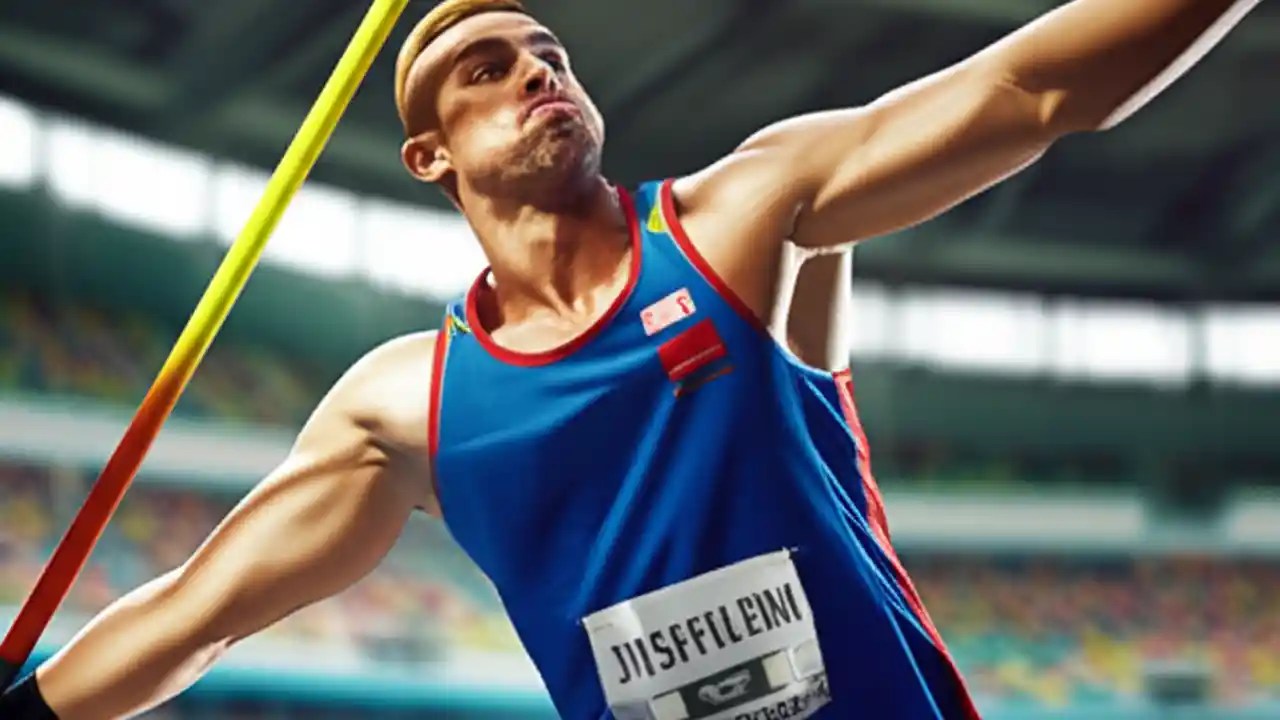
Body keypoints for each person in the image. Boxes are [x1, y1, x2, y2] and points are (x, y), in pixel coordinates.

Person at [0, 0, 1260, 717]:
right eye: (482, 71)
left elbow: (1033, 90)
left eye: (546, 53)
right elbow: (194, 616)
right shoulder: (408, 401)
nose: (533, 72)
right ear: (429, 159)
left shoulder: (737, 226)